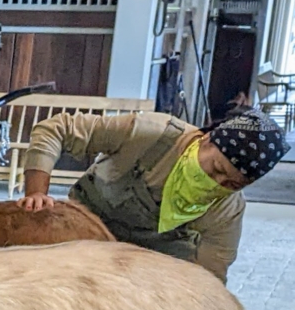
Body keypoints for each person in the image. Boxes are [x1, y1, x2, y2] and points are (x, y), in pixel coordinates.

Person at [18, 106, 289, 281]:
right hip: (84, 239)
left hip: (148, 271)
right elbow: (56, 129)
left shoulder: (227, 211)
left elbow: (209, 278)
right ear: (208, 138)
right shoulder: (152, 134)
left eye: (231, 184)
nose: (215, 182)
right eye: (216, 168)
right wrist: (36, 192)